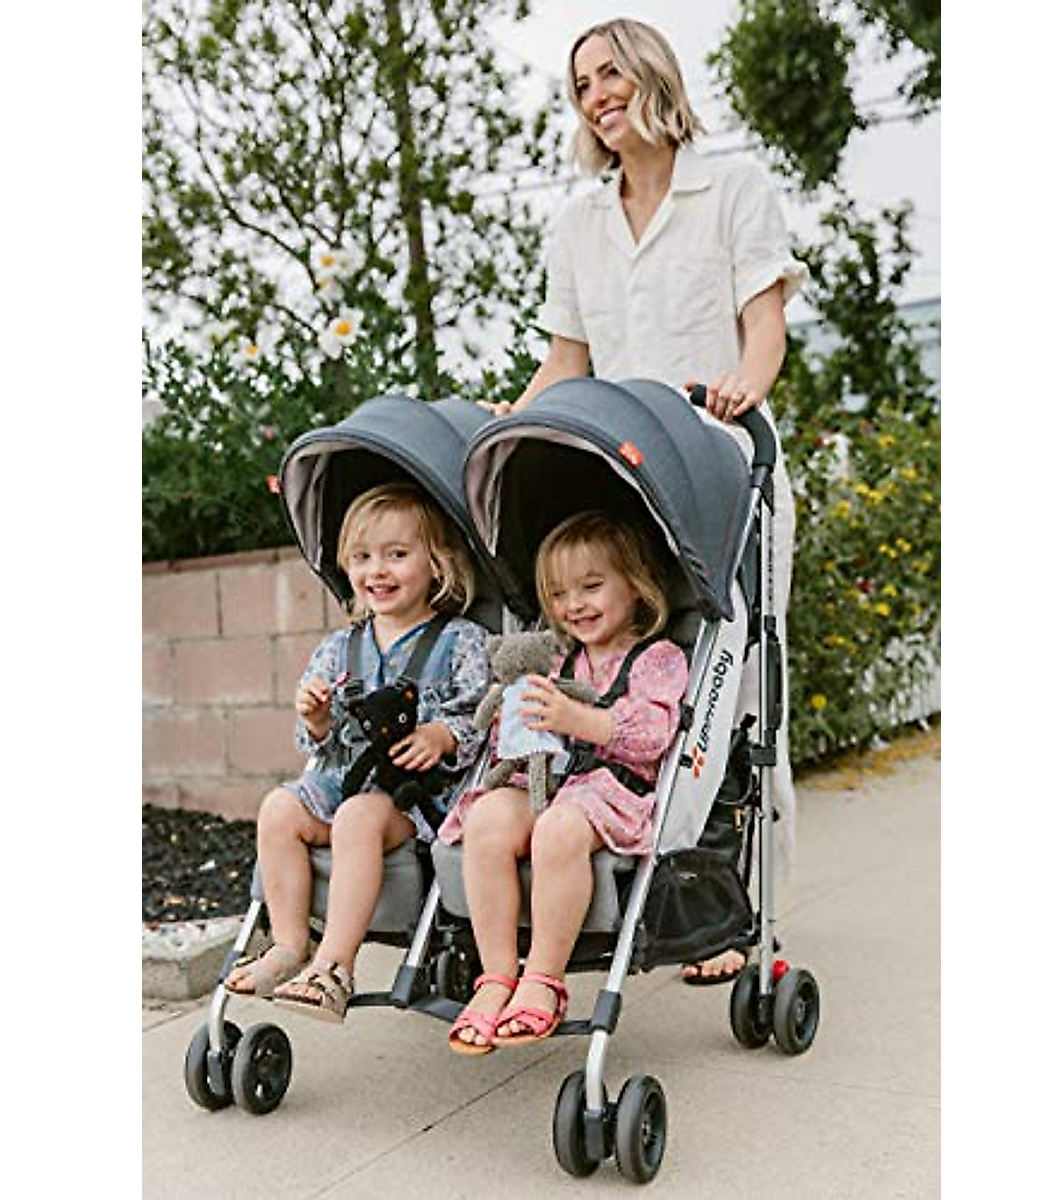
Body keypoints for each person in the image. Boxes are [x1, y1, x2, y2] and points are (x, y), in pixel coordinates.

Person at [485, 18, 806, 985]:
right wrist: (512, 419)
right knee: (633, 676)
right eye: (581, 85)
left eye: (609, 73)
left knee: (733, 694)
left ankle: (736, 912)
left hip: (723, 467)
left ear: (653, 74)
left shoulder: (732, 188)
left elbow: (764, 322)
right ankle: (628, 882)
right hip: (629, 483)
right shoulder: (579, 223)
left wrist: (747, 384)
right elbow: (569, 357)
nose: (597, 95)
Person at [223, 482, 490, 1021]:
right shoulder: (339, 647)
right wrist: (317, 719)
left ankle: (334, 967)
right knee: (278, 808)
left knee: (357, 817)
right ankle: (289, 944)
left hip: (414, 800)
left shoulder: (461, 640)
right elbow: (317, 747)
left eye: (397, 554)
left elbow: (481, 713)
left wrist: (443, 735)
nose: (378, 571)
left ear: (436, 562)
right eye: (363, 557)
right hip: (342, 782)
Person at [439, 511, 689, 1053]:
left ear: (636, 585)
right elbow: (523, 737)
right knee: (487, 817)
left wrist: (580, 720)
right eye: (558, 594)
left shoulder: (657, 658)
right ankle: (497, 974)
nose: (573, 604)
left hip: (612, 790)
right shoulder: (555, 658)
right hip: (548, 780)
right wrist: (513, 722)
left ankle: (543, 979)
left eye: (591, 587)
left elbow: (653, 735)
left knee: (557, 829)